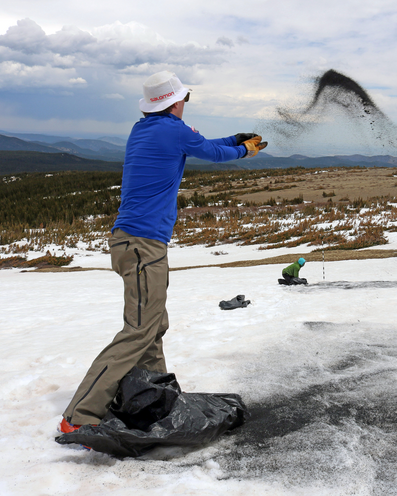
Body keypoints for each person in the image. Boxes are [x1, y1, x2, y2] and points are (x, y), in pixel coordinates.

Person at [59, 71, 267, 434]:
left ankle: (154, 396)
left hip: (135, 244)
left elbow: (198, 143)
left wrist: (234, 137)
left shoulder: (145, 129)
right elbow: (213, 153)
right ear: (176, 101)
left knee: (154, 325)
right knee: (139, 330)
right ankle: (79, 414)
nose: (185, 104)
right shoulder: (172, 130)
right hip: (142, 245)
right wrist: (242, 149)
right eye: (185, 98)